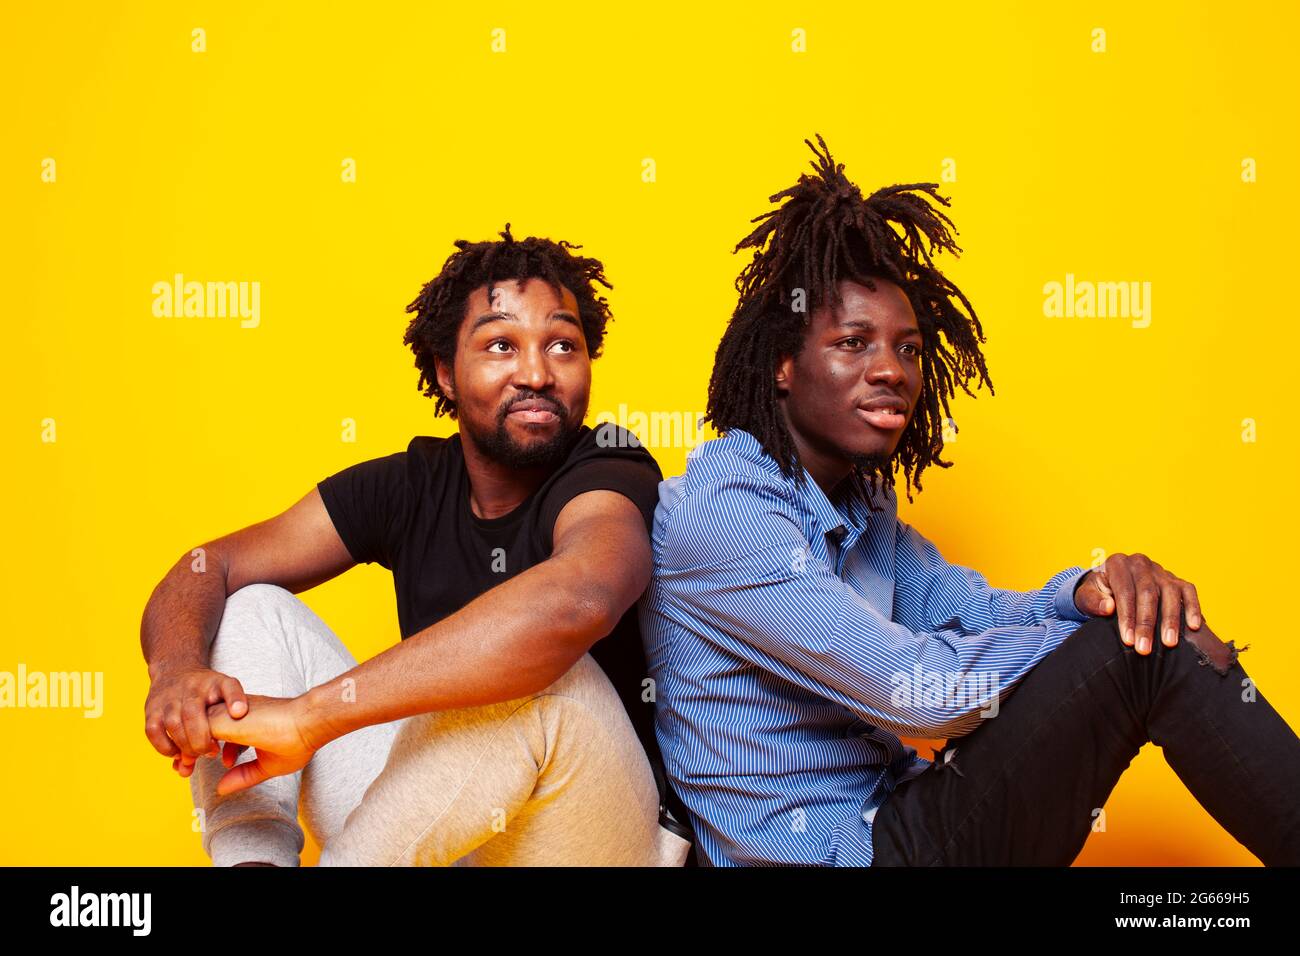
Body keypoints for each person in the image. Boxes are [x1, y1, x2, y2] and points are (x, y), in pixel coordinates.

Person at [637, 135, 1300, 866]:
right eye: (854, 343)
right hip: (846, 857)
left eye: (910, 349)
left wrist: (1091, 597)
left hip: (903, 818)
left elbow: (972, 609)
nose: (891, 369)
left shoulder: (859, 505)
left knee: (1142, 638)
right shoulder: (724, 511)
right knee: (1151, 650)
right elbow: (920, 692)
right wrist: (1134, 637)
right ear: (784, 367)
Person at [141, 224, 692, 866]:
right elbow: (212, 564)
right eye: (500, 345)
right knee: (251, 607)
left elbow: (578, 602)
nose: (537, 372)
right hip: (440, 822)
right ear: (446, 373)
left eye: (562, 345)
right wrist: (176, 671)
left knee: (542, 669)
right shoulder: (412, 484)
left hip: (589, 832)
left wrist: (311, 717)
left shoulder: (610, 466)